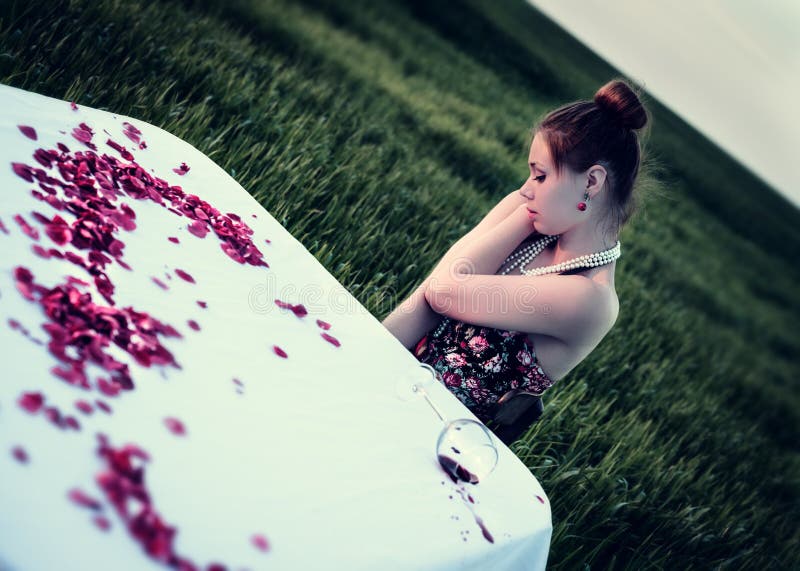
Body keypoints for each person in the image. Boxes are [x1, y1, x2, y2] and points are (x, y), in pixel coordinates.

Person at [382, 78, 650, 443]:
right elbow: (425, 301)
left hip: (433, 440)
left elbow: (444, 293)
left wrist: (521, 218)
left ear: (591, 182)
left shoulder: (591, 299)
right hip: (391, 380)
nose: (526, 189)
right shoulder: (530, 214)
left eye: (540, 175)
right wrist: (368, 356)